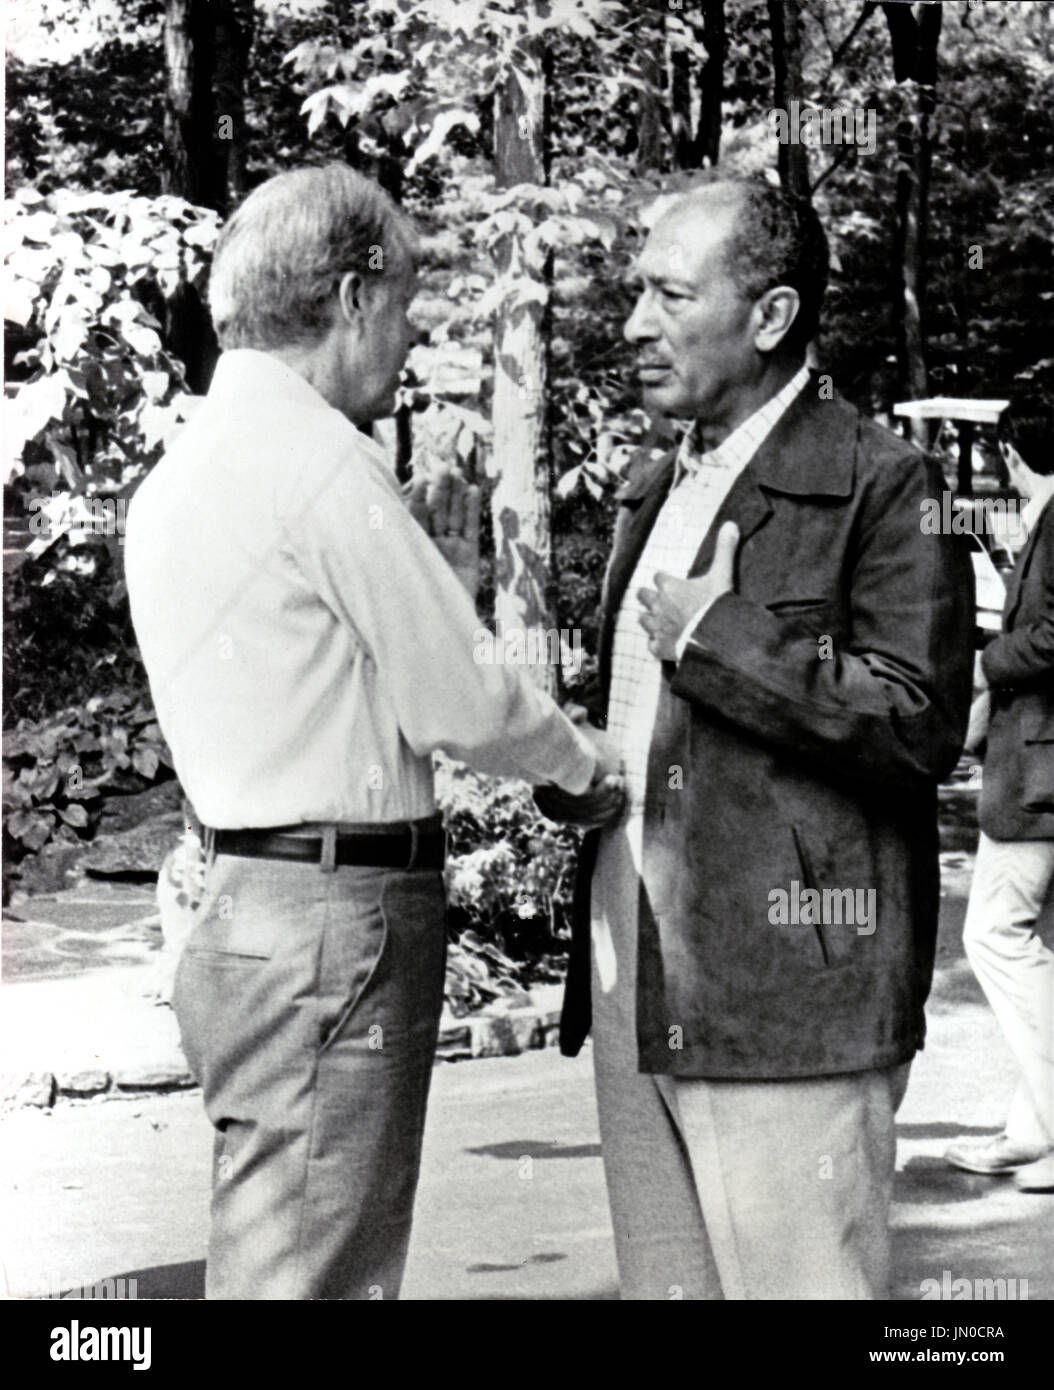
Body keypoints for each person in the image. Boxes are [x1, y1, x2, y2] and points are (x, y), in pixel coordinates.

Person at [124, 163, 620, 1300]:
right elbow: (460, 695)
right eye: (401, 308)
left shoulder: (173, 480)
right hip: (334, 917)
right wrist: (579, 764)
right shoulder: (320, 463)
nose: (405, 342)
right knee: (316, 1272)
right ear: (351, 296)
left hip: (241, 902)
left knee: (276, 1242)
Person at [536, 174, 974, 1300]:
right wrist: (581, 768)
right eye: (637, 291)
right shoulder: (656, 486)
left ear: (770, 318)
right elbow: (657, 715)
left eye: (670, 296)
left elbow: (916, 719)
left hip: (790, 1002)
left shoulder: (885, 482)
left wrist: (717, 637)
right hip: (638, 963)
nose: (634, 324)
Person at [945, 386, 1054, 1193]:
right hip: (1037, 764)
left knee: (993, 935)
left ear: (1013, 455)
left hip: (1040, 774)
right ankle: (1029, 1129)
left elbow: (1051, 638)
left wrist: (986, 661)